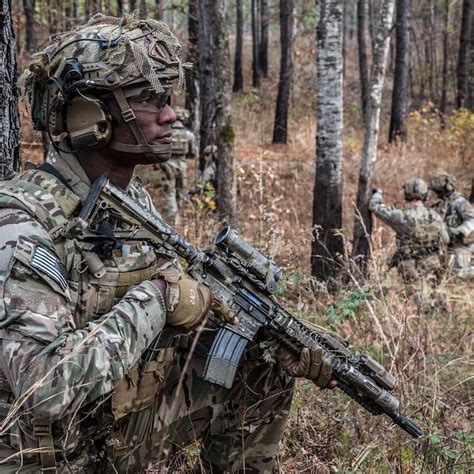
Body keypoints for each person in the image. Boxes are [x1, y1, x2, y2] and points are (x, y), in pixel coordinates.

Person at [0, 14, 334, 472]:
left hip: (106, 431)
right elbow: (46, 391)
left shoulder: (130, 202)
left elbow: (166, 330)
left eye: (167, 98)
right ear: (89, 115)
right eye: (150, 99)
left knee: (260, 363)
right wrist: (161, 296)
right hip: (41, 455)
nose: (171, 114)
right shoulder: (23, 222)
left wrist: (276, 339)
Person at [369, 179, 449, 286]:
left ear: (406, 194)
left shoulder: (400, 216)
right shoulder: (434, 216)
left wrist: (378, 194)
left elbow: (375, 206)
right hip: (432, 264)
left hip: (409, 267)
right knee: (431, 295)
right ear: (425, 194)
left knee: (413, 296)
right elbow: (446, 239)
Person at [155, 106, 196, 225]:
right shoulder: (189, 135)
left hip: (167, 164)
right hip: (182, 165)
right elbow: (192, 152)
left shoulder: (166, 133)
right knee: (180, 191)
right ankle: (179, 215)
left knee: (170, 191)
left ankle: (174, 220)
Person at [430, 172, 474, 279]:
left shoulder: (460, 202)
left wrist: (460, 231)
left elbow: (472, 219)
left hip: (461, 245)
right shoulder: (440, 204)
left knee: (459, 276)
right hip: (444, 246)